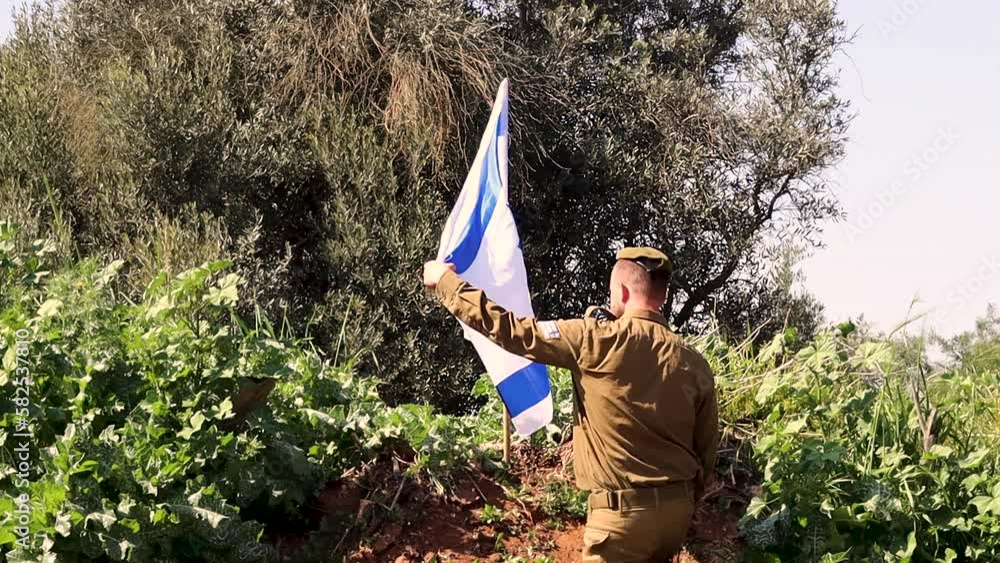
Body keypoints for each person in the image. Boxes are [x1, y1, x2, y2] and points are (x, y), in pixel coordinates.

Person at [423, 247, 718, 562]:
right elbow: (706, 450)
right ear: (661, 295)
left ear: (622, 289)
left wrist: (446, 283)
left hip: (621, 520)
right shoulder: (694, 362)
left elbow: (513, 330)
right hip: (676, 515)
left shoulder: (596, 339)